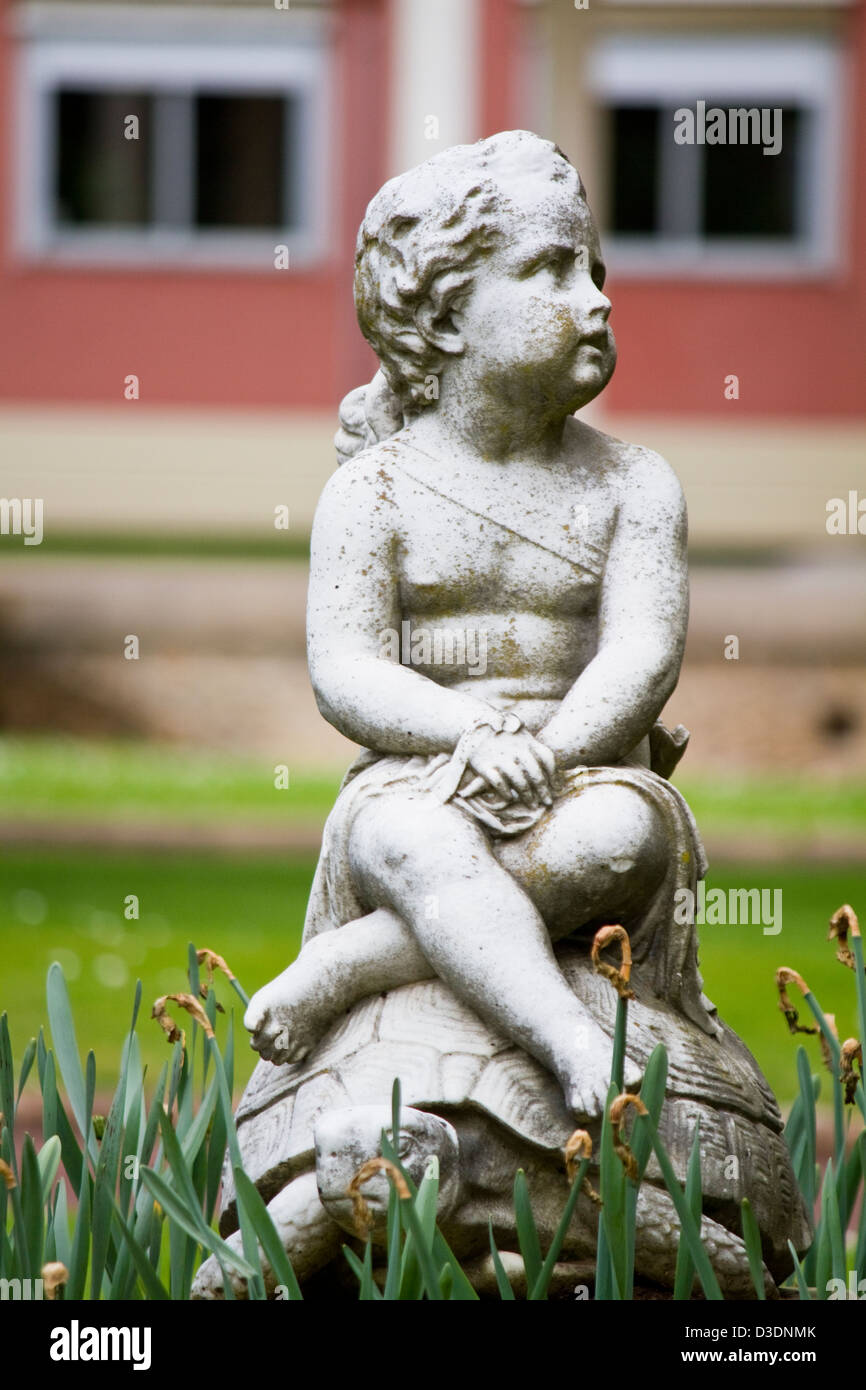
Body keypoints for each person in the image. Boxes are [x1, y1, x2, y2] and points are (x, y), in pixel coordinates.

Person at [245, 131, 718, 1121]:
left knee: (617, 839)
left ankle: (349, 964)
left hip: (581, 774)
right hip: (420, 781)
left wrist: (544, 752)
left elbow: (639, 658)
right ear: (448, 316)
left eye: (593, 269)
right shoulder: (371, 490)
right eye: (551, 271)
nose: (595, 298)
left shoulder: (633, 484)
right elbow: (345, 669)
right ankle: (566, 1039)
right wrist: (467, 735)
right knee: (413, 843)